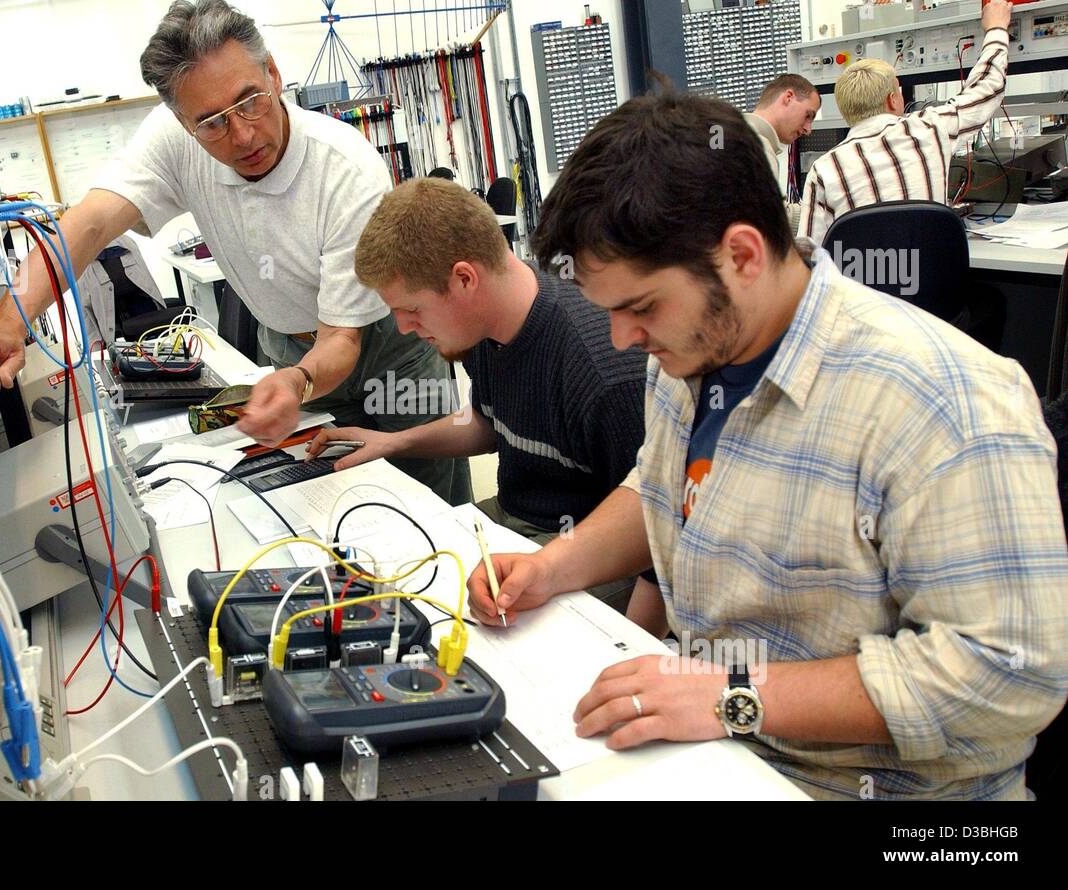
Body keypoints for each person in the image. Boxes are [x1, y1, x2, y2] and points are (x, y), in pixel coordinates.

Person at [466, 87, 1068, 800]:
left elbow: (1010, 675)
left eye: (641, 308)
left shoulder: (943, 401)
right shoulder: (686, 359)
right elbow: (660, 487)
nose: (624, 339)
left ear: (743, 256)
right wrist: (556, 565)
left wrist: (732, 696)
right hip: (724, 753)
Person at [0, 0, 469, 504]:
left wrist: (299, 380)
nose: (242, 134)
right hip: (291, 346)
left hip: (388, 348)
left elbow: (342, 337)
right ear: (182, 122)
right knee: (331, 498)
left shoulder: (345, 169)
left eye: (251, 100)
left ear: (273, 72)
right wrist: (9, 321)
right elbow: (87, 226)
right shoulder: (173, 140)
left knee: (425, 498)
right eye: (213, 122)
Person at [306, 178, 652, 614]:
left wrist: (635, 661)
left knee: (447, 624)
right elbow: (489, 423)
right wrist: (394, 441)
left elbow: (657, 544)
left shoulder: (602, 371)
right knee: (389, 576)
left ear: (464, 279)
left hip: (592, 558)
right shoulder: (485, 326)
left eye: (411, 310)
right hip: (515, 524)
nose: (404, 328)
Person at [799, 0, 1012, 245]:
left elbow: (810, 256)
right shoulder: (930, 128)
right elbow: (987, 89)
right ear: (892, 100)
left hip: (862, 280)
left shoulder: (824, 169)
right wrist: (996, 29)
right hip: (934, 281)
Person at [745, 74, 820, 193]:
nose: (808, 130)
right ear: (788, 97)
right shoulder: (758, 150)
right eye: (808, 116)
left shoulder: (733, 137)